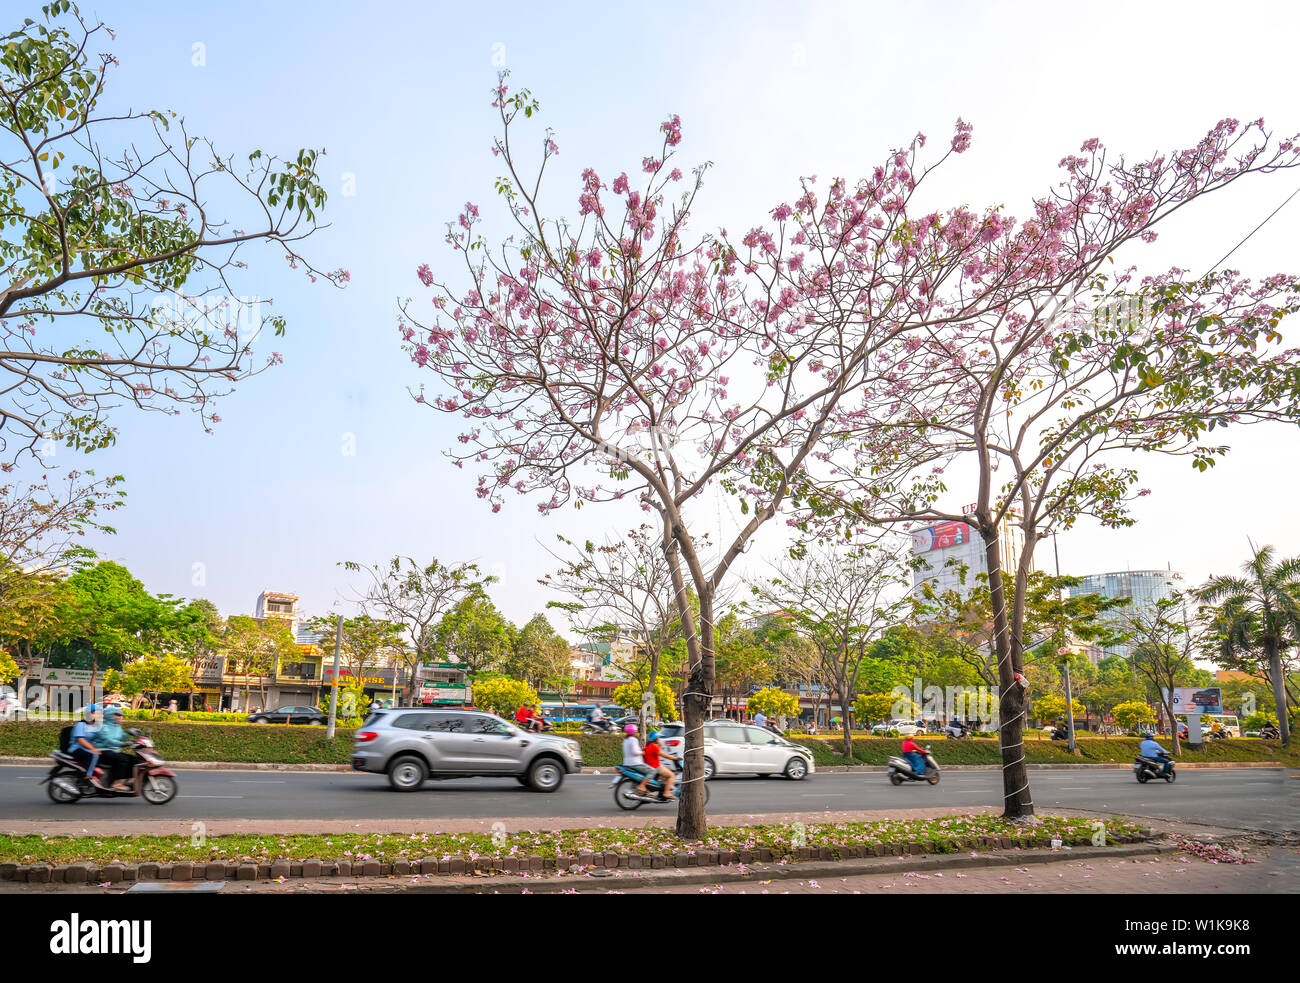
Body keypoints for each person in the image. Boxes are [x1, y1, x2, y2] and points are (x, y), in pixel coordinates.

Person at [90, 705, 136, 791]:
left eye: (120, 715)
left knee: (133, 759)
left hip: (113, 751)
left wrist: (130, 733)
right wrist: (124, 744)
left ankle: (127, 780)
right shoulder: (103, 727)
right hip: (102, 751)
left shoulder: (117, 727)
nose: (119, 717)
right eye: (117, 715)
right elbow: (109, 741)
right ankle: (116, 783)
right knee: (123, 759)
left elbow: (120, 736)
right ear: (109, 715)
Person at [68, 705, 106, 787]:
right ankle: (86, 779)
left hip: (86, 748)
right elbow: (80, 740)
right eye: (98, 713)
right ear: (90, 714)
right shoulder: (81, 725)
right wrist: (93, 749)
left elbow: (101, 738)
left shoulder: (95, 726)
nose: (101, 715)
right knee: (94, 755)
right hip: (76, 748)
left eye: (101, 713)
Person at [636, 729, 679, 800]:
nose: (659, 739)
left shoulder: (648, 746)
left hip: (649, 766)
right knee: (672, 775)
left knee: (664, 775)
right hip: (655, 767)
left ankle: (660, 790)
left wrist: (659, 745)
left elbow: (658, 752)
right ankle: (666, 793)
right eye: (658, 738)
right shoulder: (653, 747)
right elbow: (664, 755)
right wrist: (674, 758)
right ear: (655, 738)